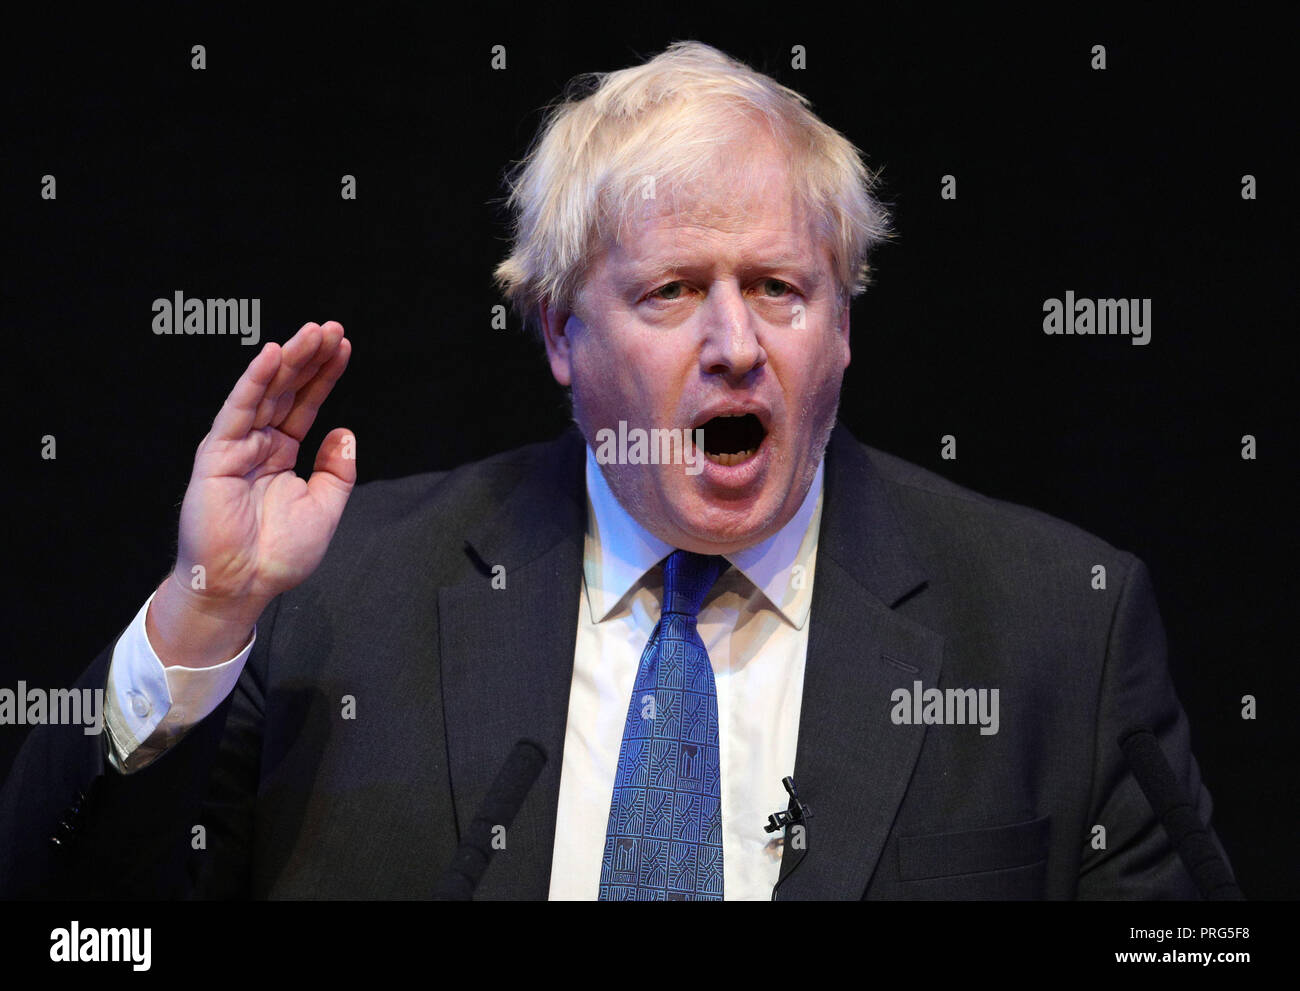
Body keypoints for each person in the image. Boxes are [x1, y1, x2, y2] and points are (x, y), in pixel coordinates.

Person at [0, 41, 1230, 900]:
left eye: (780, 290)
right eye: (673, 291)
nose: (735, 344)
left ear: (842, 325)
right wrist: (203, 618)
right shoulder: (331, 604)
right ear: (558, 332)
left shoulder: (1055, 623)